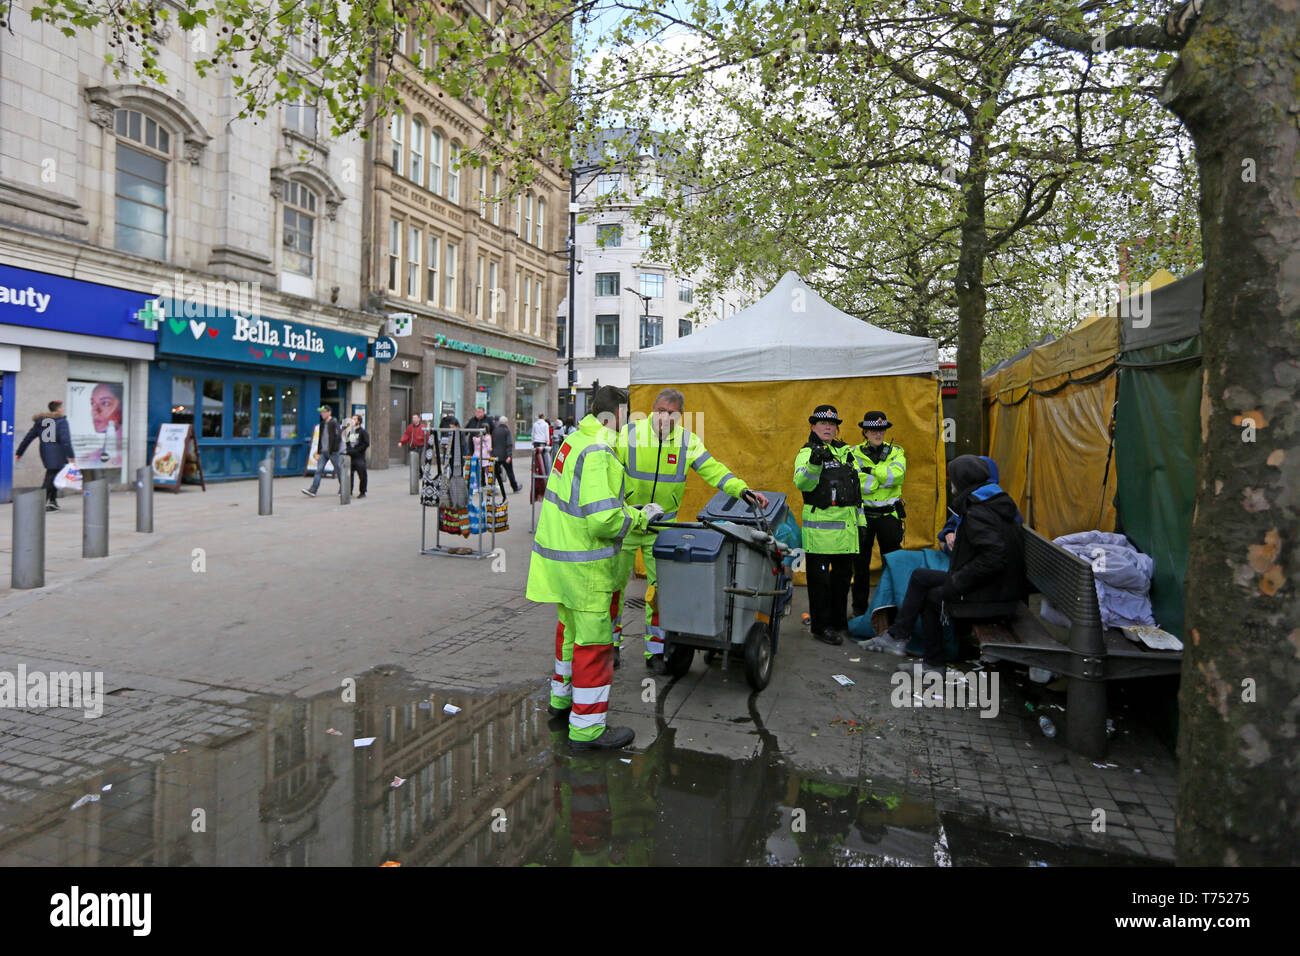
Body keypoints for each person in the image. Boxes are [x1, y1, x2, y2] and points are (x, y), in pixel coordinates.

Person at [527, 385, 661, 752]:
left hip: (559, 562)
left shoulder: (574, 440)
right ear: (615, 415)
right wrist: (639, 518)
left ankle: (561, 701)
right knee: (595, 644)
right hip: (586, 569)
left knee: (568, 633)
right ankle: (587, 728)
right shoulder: (600, 451)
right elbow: (603, 520)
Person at [613, 387, 769, 671]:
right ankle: (609, 646)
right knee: (613, 589)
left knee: (661, 593)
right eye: (660, 410)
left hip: (661, 529)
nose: (664, 417)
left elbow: (714, 470)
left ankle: (657, 651)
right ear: (652, 409)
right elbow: (609, 472)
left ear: (680, 416)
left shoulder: (688, 441)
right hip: (626, 524)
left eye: (671, 413)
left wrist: (742, 490)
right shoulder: (629, 435)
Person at [865, 455, 1026, 675]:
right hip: (1000, 585)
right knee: (920, 575)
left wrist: (957, 581)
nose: (951, 482)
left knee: (933, 596)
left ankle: (932, 662)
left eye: (953, 478)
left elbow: (994, 558)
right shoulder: (990, 502)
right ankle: (898, 636)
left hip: (995, 594)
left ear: (962, 481)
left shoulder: (979, 511)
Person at [792, 404, 861, 645]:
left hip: (847, 532)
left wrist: (860, 523)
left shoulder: (845, 451)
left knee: (843, 580)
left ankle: (838, 622)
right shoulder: (806, 452)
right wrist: (814, 463)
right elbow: (802, 483)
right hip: (820, 533)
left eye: (832, 424)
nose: (828, 427)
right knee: (820, 585)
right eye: (823, 423)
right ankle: (820, 628)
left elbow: (855, 491)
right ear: (813, 426)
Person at [849, 410, 906, 617]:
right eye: (873, 429)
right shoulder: (853, 453)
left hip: (889, 516)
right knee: (860, 566)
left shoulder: (896, 451)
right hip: (863, 516)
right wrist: (880, 477)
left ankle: (892, 609)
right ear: (865, 431)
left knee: (892, 564)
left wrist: (870, 472)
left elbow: (896, 477)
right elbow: (857, 483)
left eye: (881, 429)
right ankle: (859, 610)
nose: (878, 433)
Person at [16, 400, 77, 512]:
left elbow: (28, 437)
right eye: (62, 407)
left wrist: (19, 452)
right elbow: (65, 441)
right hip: (58, 452)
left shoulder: (41, 421)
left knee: (55, 475)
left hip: (45, 452)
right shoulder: (61, 421)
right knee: (51, 476)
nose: (63, 409)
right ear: (58, 409)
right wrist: (72, 456)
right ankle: (39, 502)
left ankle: (52, 502)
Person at [302, 405, 343, 497]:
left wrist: (334, 449)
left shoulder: (334, 422)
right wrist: (319, 449)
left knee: (339, 470)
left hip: (332, 452)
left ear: (329, 412)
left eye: (324, 412)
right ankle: (313, 489)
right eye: (321, 412)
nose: (322, 414)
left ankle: (343, 488)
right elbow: (321, 438)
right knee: (318, 470)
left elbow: (338, 437)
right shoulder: (322, 424)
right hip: (324, 452)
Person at [89, 383, 124, 467]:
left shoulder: (124, 456)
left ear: (122, 407)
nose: (94, 411)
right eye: (92, 403)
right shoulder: (90, 458)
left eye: (105, 403)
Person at [492, 415, 521, 494]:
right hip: (505, 456)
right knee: (510, 472)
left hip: (495, 455)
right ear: (506, 423)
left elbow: (492, 443)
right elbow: (509, 444)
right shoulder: (507, 431)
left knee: (494, 473)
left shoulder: (495, 431)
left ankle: (492, 488)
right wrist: (509, 455)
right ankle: (515, 487)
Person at [346, 414, 370, 498]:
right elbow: (348, 443)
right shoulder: (351, 432)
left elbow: (366, 443)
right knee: (349, 475)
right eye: (352, 419)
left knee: (362, 475)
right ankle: (349, 491)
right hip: (351, 456)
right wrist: (349, 450)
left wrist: (357, 451)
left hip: (359, 457)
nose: (352, 420)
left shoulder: (363, 432)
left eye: (354, 419)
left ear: (358, 421)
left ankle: (362, 491)